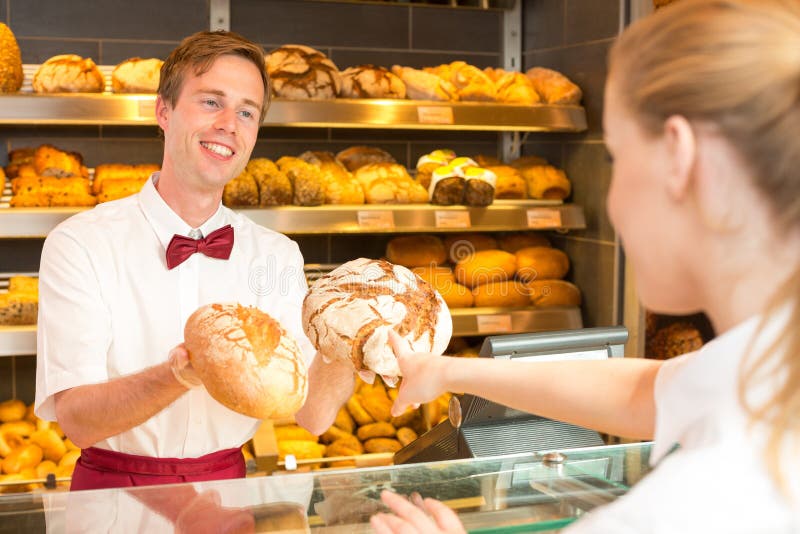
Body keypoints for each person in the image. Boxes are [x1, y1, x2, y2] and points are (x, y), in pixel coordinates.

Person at [371, 0, 800, 532]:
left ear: (680, 159)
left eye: (617, 158)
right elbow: (644, 392)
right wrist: (446, 371)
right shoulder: (769, 359)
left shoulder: (689, 506)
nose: (613, 201)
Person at [33, 30, 354, 491]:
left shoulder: (276, 254)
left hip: (229, 495)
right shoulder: (80, 243)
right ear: (163, 111)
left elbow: (312, 414)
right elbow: (78, 420)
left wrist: (349, 339)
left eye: (247, 111)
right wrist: (177, 374)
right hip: (113, 499)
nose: (230, 123)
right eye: (211, 102)